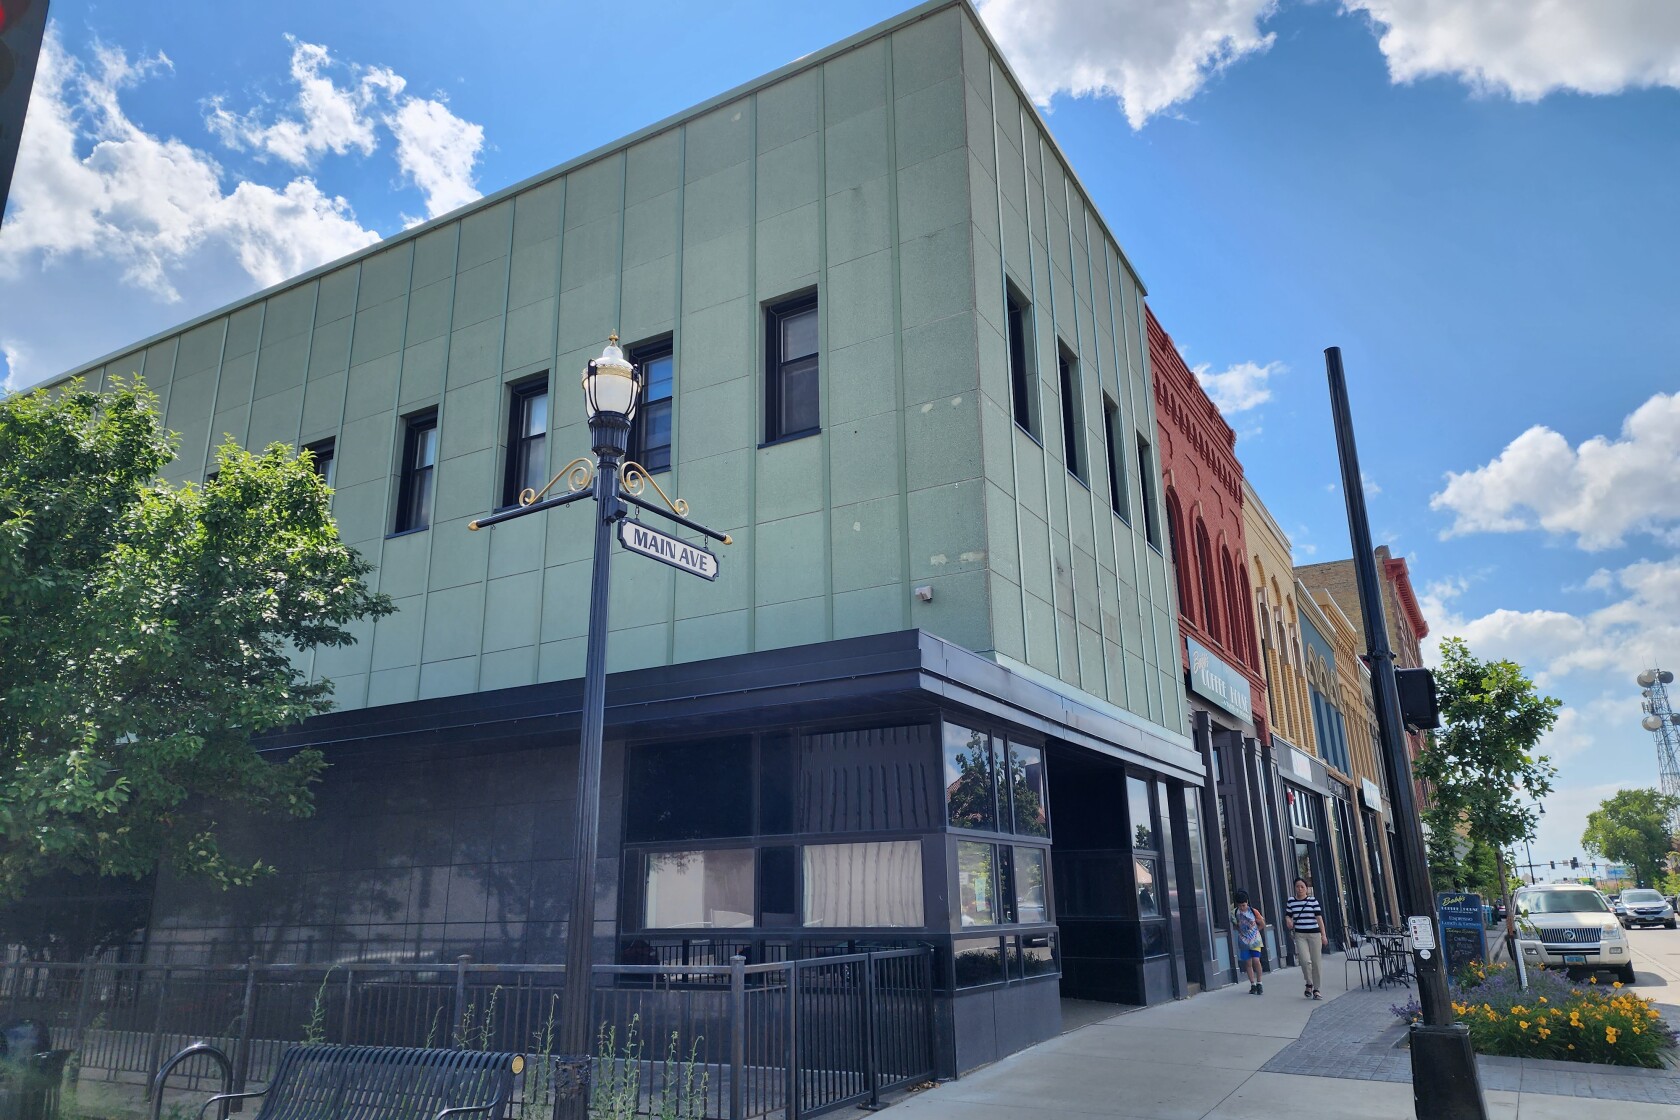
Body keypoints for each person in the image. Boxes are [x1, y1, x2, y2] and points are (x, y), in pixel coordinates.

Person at [1285, 876, 1329, 999]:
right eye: (1297, 887)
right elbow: (1288, 915)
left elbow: (1319, 919)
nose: (1299, 889)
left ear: (1306, 889)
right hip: (1300, 935)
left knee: (1316, 961)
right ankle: (1309, 982)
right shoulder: (1291, 901)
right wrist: (1288, 920)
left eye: (1302, 887)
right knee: (1304, 961)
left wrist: (1323, 935)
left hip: (1314, 934)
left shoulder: (1313, 901)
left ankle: (1316, 989)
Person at [1233, 889, 1267, 994]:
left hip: (1255, 940)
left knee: (1256, 960)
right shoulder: (1235, 913)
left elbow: (1262, 923)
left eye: (1244, 905)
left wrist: (1256, 931)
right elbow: (1235, 926)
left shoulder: (1253, 911)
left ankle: (1259, 982)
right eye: (1240, 906)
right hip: (1243, 941)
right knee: (1248, 963)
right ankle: (1252, 984)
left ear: (1247, 902)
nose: (1242, 908)